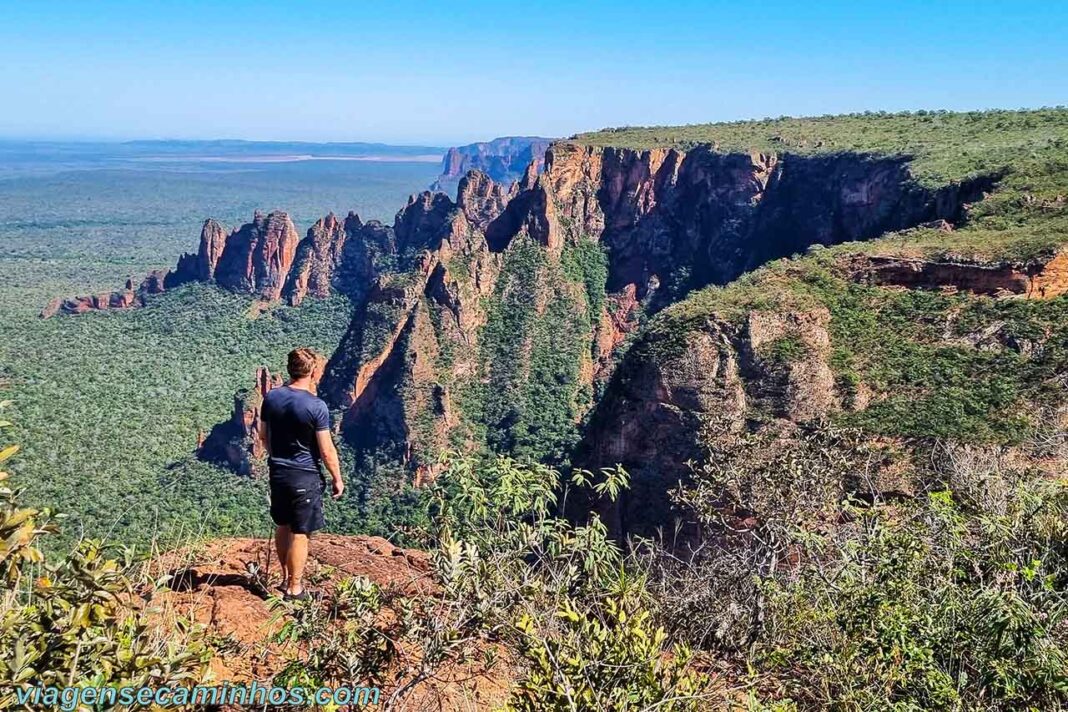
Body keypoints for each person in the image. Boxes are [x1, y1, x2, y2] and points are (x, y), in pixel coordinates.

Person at [258, 347, 344, 601]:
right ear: (314, 371)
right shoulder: (316, 406)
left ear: (290, 369)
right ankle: (295, 590)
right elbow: (326, 450)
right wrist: (337, 478)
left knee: (282, 524)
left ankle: (285, 579)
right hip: (304, 476)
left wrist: (278, 458)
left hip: (278, 472)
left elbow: (263, 436)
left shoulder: (271, 398)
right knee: (300, 532)